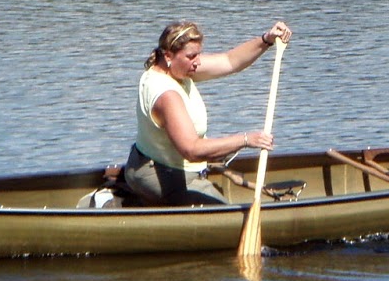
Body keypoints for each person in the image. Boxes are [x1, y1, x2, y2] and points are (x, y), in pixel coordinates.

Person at [124, 19, 292, 206]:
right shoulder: (166, 95)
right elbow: (192, 150)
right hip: (162, 174)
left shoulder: (176, 68)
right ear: (168, 55)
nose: (197, 62)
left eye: (198, 55)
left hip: (172, 168)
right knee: (228, 215)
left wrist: (267, 39)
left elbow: (230, 61)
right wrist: (246, 140)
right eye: (191, 56)